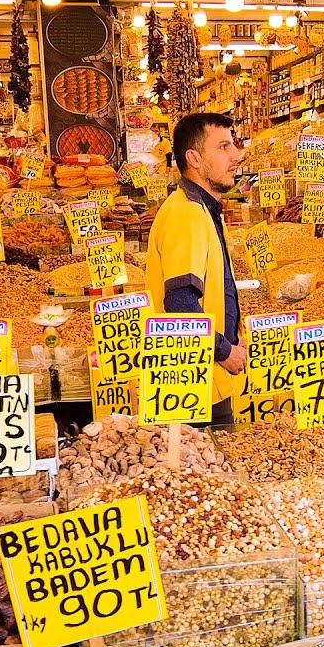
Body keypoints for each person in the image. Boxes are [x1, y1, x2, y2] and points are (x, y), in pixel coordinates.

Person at [144, 112, 244, 425]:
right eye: (224, 147)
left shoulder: (201, 209)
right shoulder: (186, 214)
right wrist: (225, 351)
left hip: (207, 378)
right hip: (197, 385)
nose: (236, 156)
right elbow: (181, 305)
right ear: (194, 159)